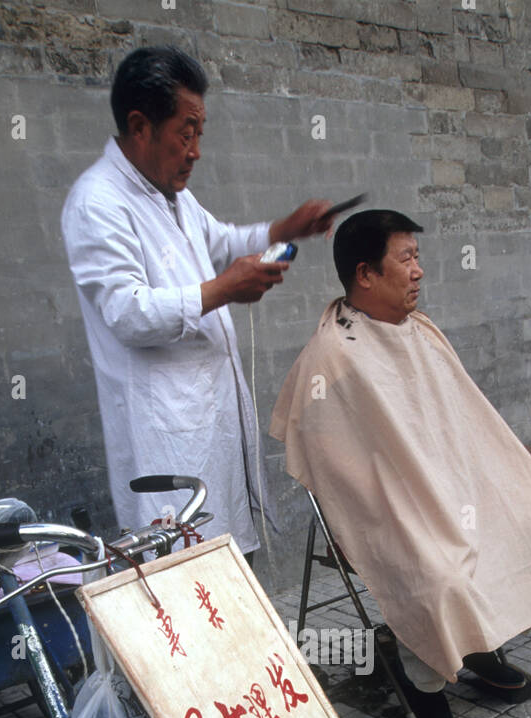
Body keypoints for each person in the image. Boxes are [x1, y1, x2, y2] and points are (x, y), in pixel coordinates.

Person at [270, 209, 531, 718]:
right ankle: (421, 674)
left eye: (417, 258)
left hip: (456, 488)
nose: (418, 271)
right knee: (443, 575)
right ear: (365, 274)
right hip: (389, 510)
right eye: (406, 259)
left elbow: (459, 418)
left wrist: (502, 455)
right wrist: (357, 520)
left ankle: (480, 644)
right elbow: (334, 468)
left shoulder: (421, 333)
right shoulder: (330, 359)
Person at [61, 46, 335, 557]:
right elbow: (127, 311)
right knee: (187, 575)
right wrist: (223, 289)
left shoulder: (172, 195)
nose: (195, 151)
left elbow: (221, 241)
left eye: (199, 135)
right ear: (140, 126)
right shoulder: (98, 203)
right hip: (167, 432)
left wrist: (284, 229)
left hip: (210, 422)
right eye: (185, 133)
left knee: (228, 558)